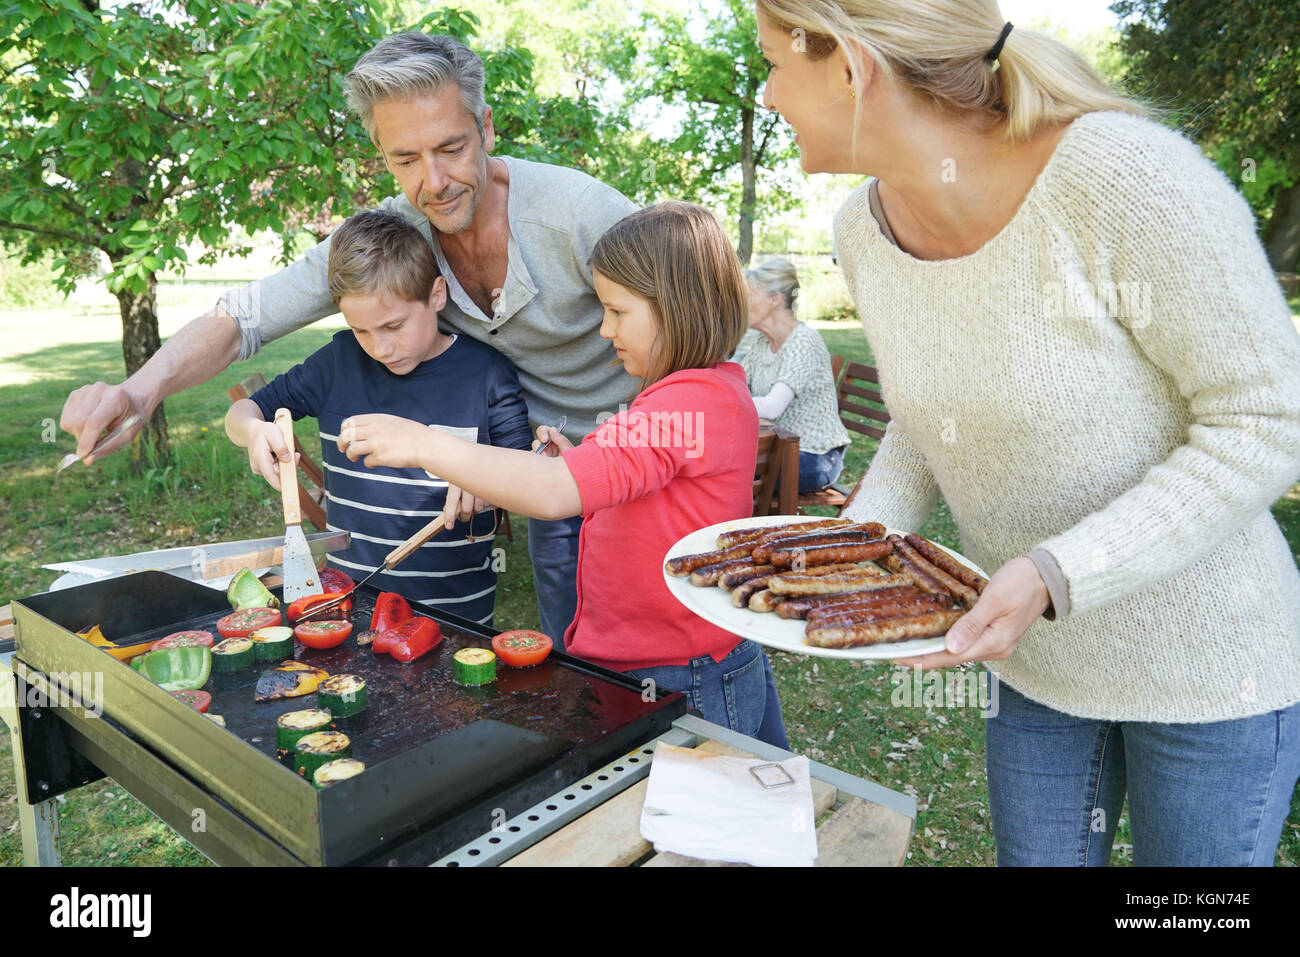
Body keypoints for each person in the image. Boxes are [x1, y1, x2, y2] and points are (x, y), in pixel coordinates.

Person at [755, 0, 1300, 865]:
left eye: (776, 64)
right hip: (1036, 667)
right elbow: (929, 411)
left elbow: (1267, 418)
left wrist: (1057, 572)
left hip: (1211, 670)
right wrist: (871, 533)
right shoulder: (861, 230)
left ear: (851, 67)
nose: (770, 93)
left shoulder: (1125, 177)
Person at [59, 32, 639, 645]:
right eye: (405, 159)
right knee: (579, 649)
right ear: (381, 152)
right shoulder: (394, 237)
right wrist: (140, 390)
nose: (435, 181)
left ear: (487, 129)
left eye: (451, 147)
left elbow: (694, 310)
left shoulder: (577, 213)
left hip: (636, 452)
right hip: (536, 472)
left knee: (674, 652)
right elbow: (245, 317)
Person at [332, 203, 790, 748]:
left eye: (617, 311)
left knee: (689, 821)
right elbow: (627, 485)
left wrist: (424, 444)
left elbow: (554, 493)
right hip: (668, 660)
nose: (604, 329)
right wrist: (574, 459)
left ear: (677, 308)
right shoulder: (698, 394)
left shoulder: (693, 402)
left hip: (677, 671)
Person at [225, 210, 532, 623]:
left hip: (457, 615)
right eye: (362, 330)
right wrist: (252, 431)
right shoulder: (337, 364)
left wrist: (489, 482)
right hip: (352, 604)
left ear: (436, 295)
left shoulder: (487, 374)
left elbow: (530, 475)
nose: (380, 347)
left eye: (393, 325)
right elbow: (243, 411)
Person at [733, 256, 851, 492]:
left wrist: (720, 406)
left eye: (749, 296)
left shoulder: (803, 341)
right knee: (718, 464)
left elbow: (772, 406)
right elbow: (735, 386)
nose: (742, 304)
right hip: (779, 450)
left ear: (774, 300)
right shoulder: (760, 341)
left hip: (816, 457)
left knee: (727, 472)